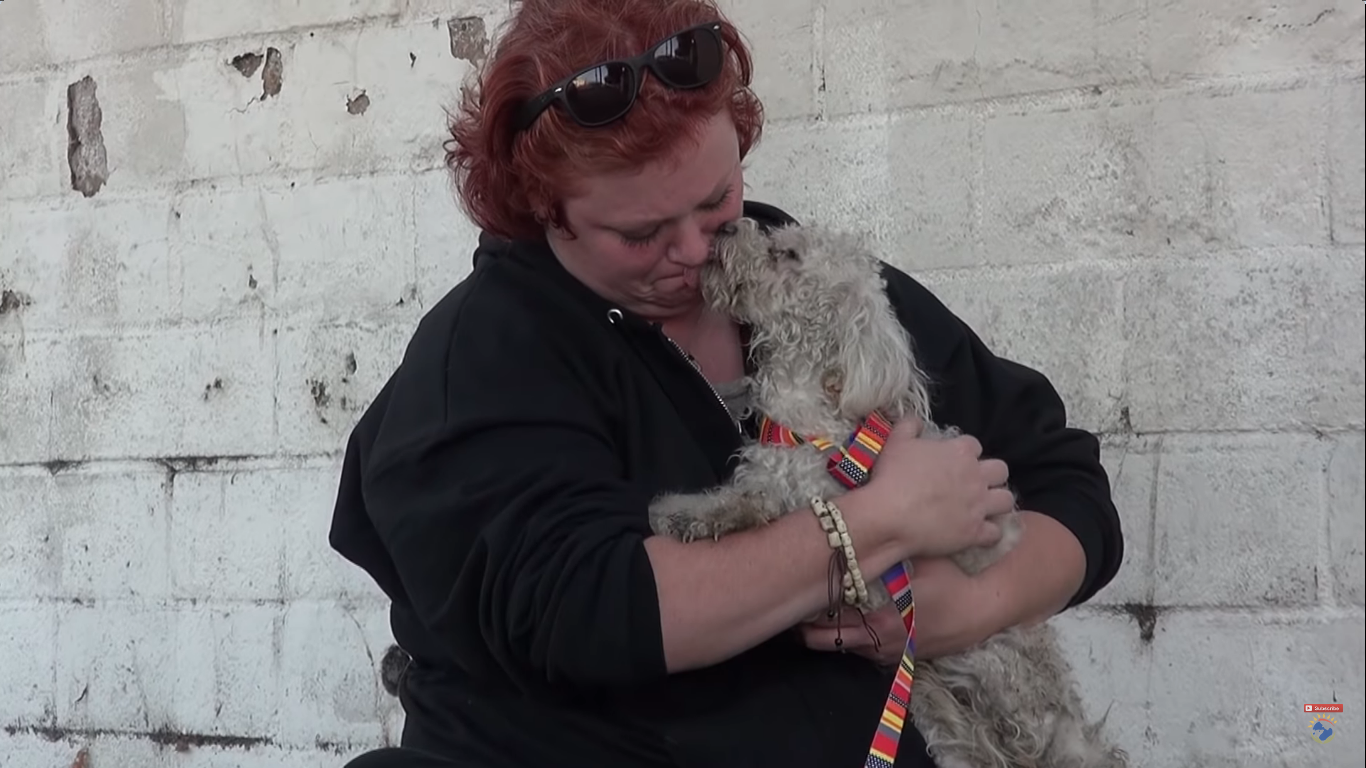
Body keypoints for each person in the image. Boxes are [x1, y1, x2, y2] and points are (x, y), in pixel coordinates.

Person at [329, 1, 1124, 766]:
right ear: (542, 209)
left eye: (716, 201)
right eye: (641, 234)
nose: (696, 251)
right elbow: (589, 610)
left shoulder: (814, 282)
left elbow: (1068, 487)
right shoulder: (482, 357)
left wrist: (964, 611)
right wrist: (878, 522)